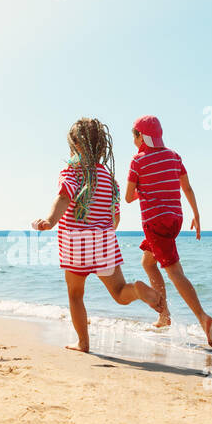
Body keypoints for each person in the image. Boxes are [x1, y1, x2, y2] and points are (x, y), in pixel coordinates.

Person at [32, 117, 164, 352]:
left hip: (76, 244)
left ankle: (83, 343)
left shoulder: (72, 171)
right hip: (104, 242)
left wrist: (50, 221)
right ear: (102, 146)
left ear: (76, 145)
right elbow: (115, 217)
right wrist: (103, 234)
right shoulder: (108, 177)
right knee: (119, 292)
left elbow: (64, 197)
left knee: (75, 294)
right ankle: (137, 290)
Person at [125, 115, 212, 347]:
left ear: (140, 136)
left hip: (155, 223)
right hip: (175, 220)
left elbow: (128, 197)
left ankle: (202, 318)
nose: (133, 140)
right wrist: (196, 216)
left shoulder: (138, 161)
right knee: (148, 263)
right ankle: (164, 315)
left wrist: (141, 189)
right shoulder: (174, 156)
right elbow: (186, 187)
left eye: (134, 135)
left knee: (175, 272)